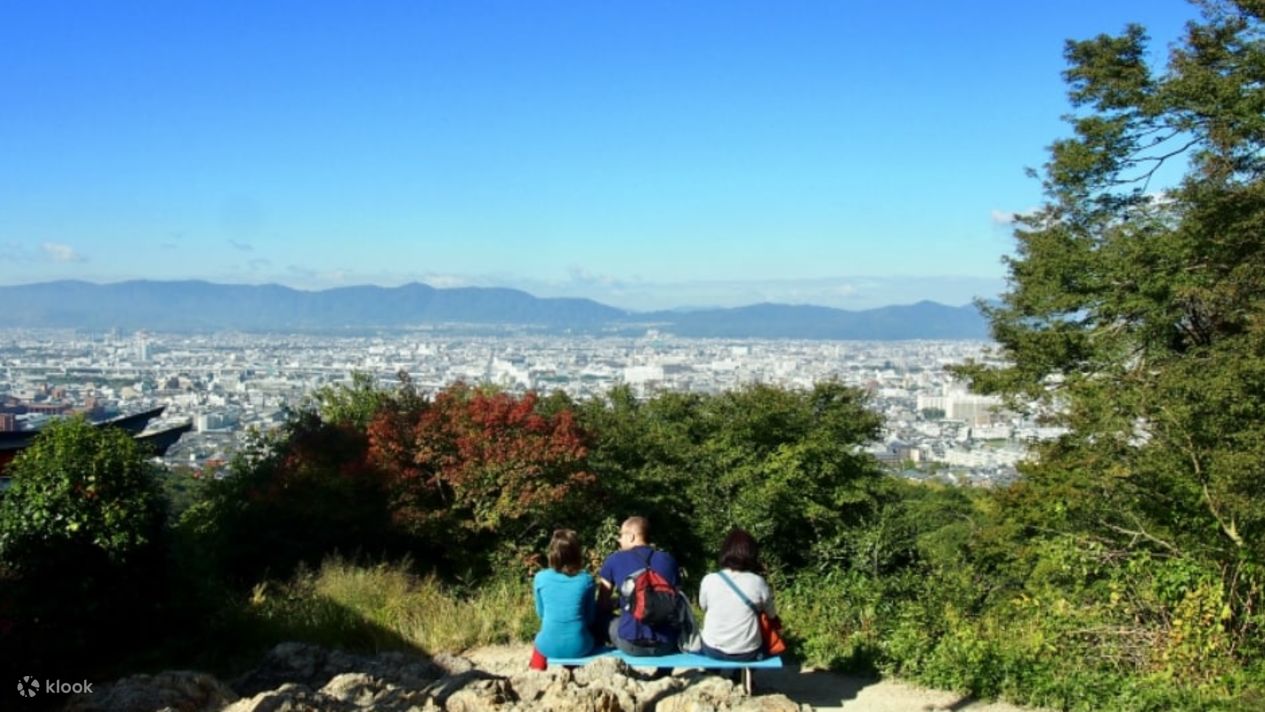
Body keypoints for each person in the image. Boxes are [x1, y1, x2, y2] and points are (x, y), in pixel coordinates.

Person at [597, 515, 681, 656]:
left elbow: (602, 604)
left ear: (631, 536)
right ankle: (663, 672)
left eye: (621, 535)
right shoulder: (669, 560)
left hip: (631, 644)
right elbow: (677, 601)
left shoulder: (614, 560)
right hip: (666, 644)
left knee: (599, 618)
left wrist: (620, 603)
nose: (619, 539)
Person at [699, 528, 778, 661]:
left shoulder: (709, 580)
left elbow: (703, 607)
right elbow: (772, 614)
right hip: (748, 652)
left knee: (708, 638)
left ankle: (713, 673)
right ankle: (739, 677)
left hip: (712, 649)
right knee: (765, 644)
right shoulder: (757, 582)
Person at [530, 529, 596, 669]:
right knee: (588, 634)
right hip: (580, 646)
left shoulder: (540, 578)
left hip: (548, 646)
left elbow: (541, 613)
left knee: (541, 640)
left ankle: (536, 671)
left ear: (552, 553)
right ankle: (573, 671)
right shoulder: (587, 580)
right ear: (577, 553)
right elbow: (590, 618)